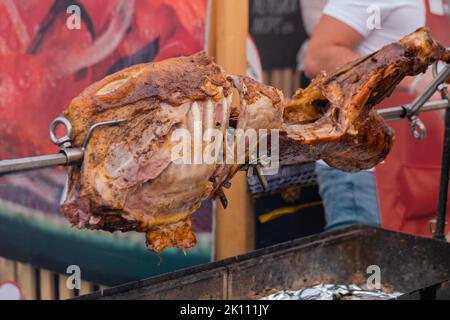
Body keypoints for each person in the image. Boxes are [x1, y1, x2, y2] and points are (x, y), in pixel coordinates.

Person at [298, 0, 426, 230]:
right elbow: (319, 57)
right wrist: (414, 81)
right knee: (365, 264)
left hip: (419, 168)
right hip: (364, 168)